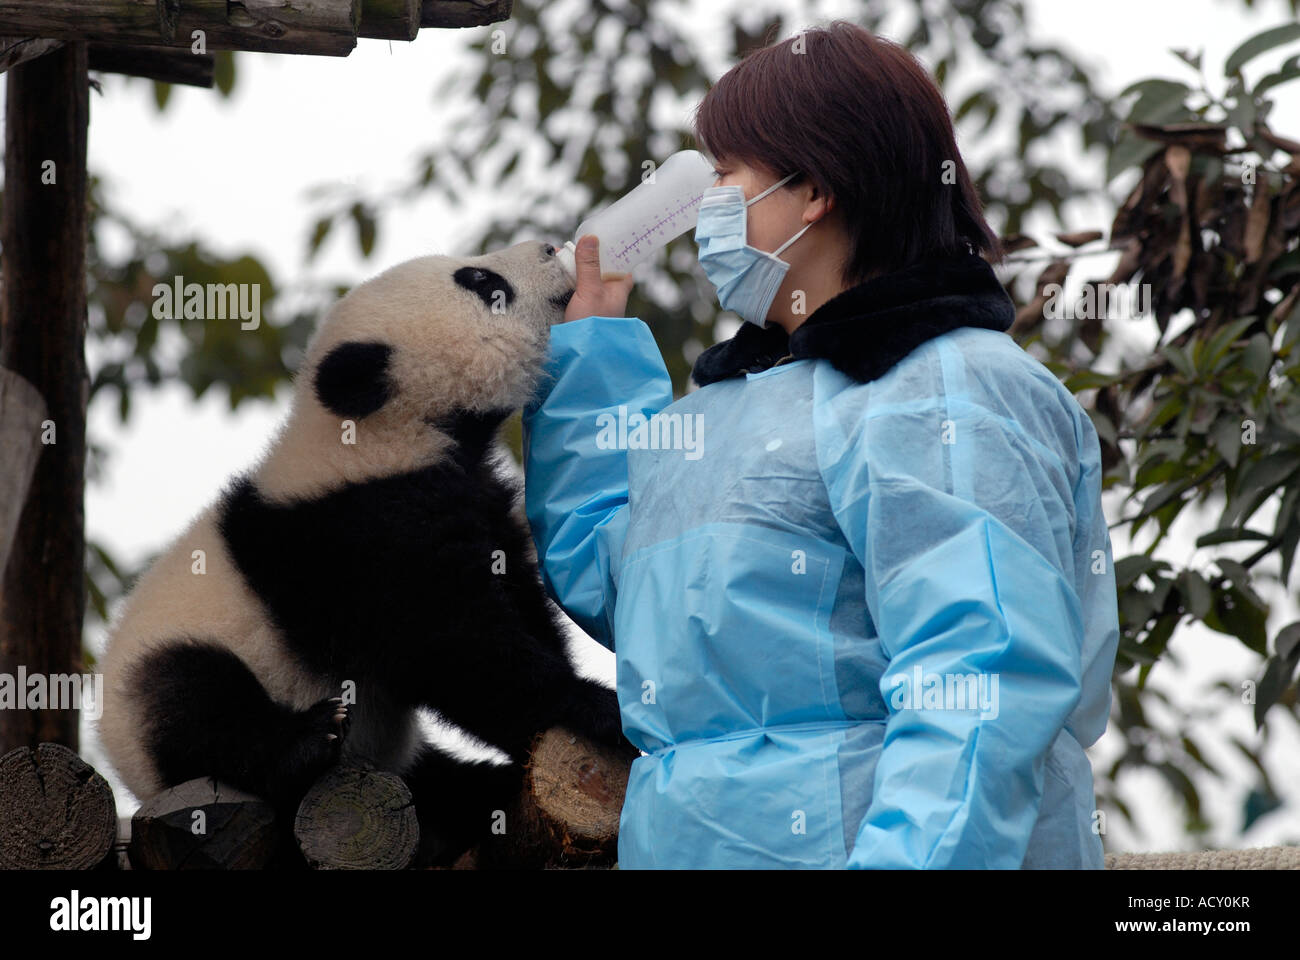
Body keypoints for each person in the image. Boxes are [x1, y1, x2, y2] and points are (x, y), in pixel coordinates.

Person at [523, 20, 1120, 868]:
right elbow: (623, 587)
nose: (705, 206)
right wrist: (591, 361)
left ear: (814, 192)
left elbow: (977, 685)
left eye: (725, 174)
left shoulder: (948, 388)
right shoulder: (731, 410)